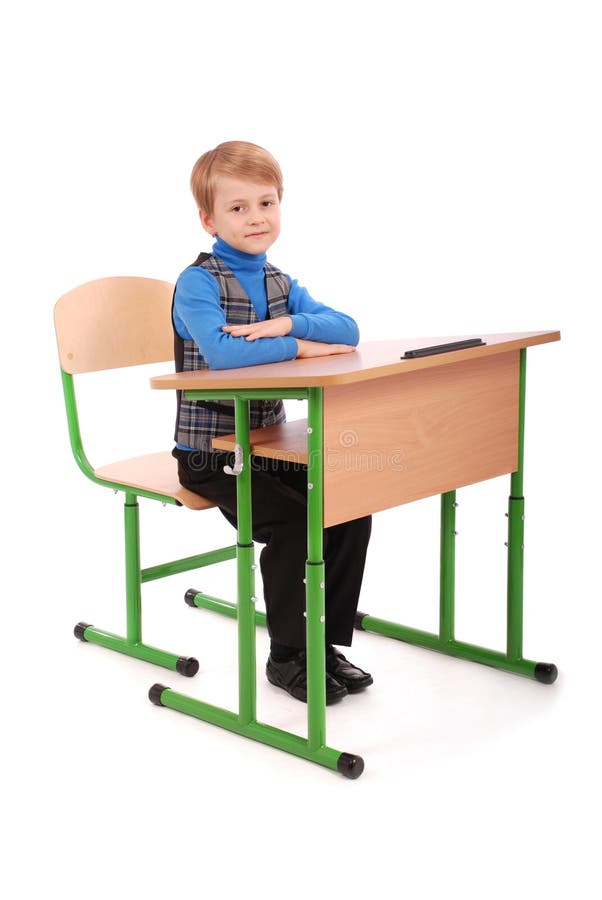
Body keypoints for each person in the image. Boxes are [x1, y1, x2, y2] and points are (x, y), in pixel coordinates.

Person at [172, 140, 372, 704]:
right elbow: (224, 355)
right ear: (209, 218)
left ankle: (321, 643)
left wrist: (288, 325)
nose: (256, 217)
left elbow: (348, 329)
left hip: (263, 444)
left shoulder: (280, 282)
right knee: (292, 523)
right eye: (238, 208)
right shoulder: (199, 283)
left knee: (346, 506)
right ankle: (287, 657)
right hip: (208, 452)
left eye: (267, 203)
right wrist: (303, 349)